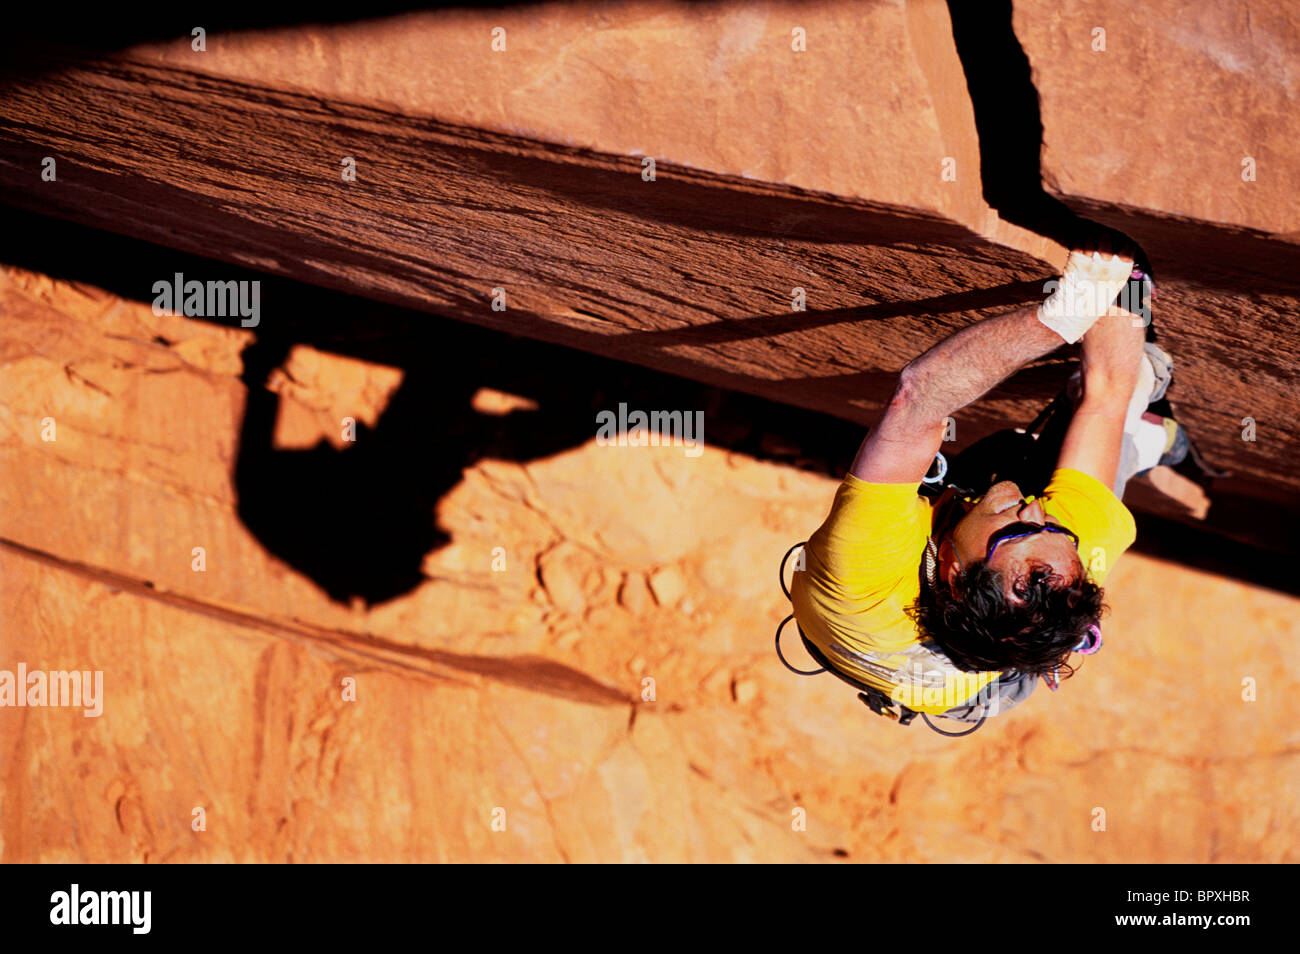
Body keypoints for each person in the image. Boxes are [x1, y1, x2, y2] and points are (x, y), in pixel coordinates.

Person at [789, 241, 1184, 724]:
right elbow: (1106, 395)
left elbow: (916, 401)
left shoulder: (862, 567)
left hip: (882, 640)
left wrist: (1064, 315)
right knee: (1129, 392)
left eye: (1019, 532)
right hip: (988, 675)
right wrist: (1126, 293)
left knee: (1006, 457)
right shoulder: (1079, 554)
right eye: (1060, 532)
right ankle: (1147, 441)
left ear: (953, 573)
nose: (1039, 512)